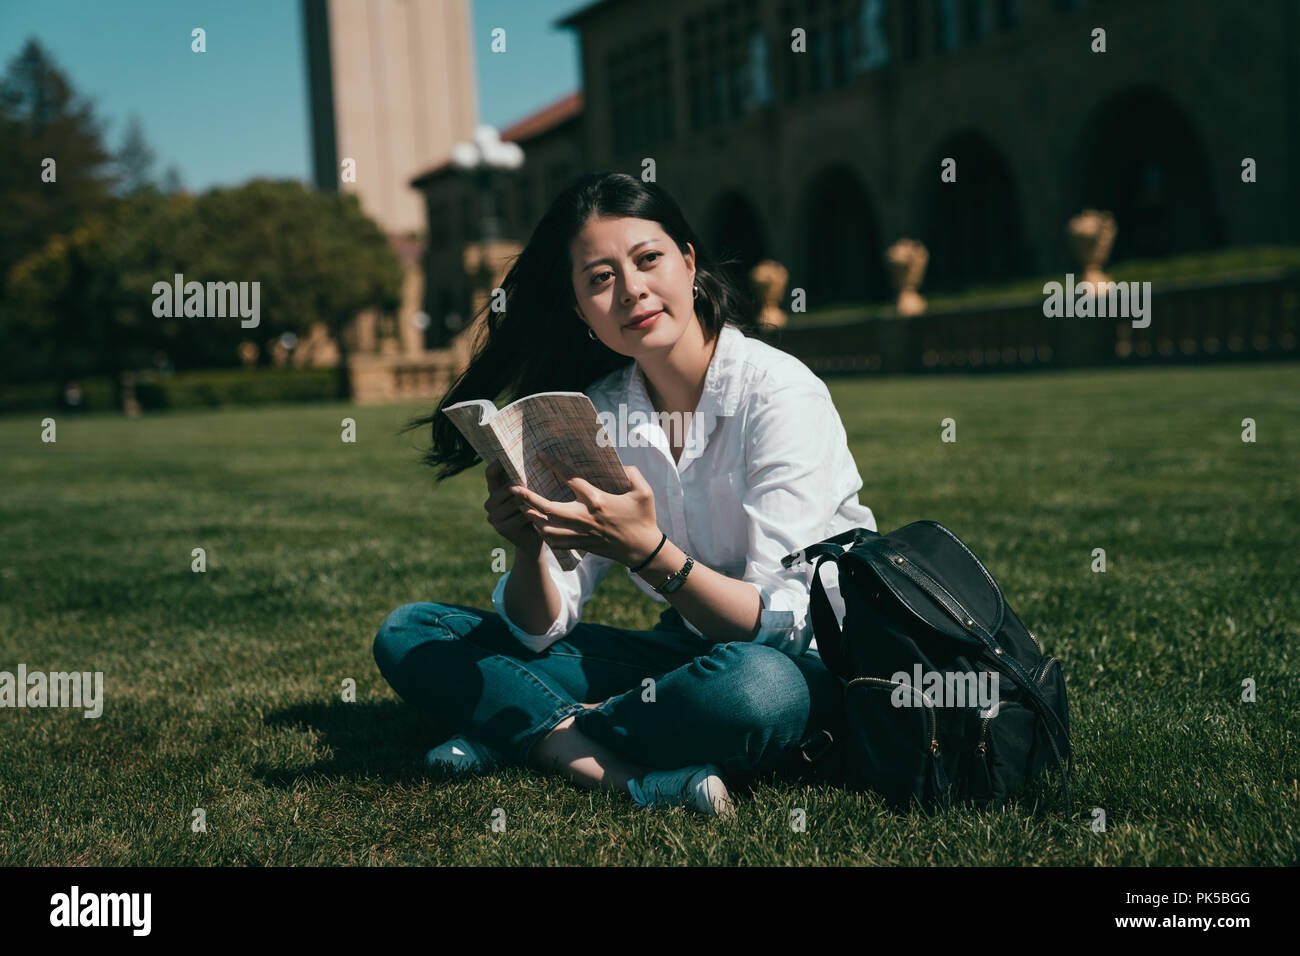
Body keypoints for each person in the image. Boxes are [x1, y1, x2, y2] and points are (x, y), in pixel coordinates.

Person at [375, 172, 876, 817]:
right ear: (580, 310)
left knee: (755, 694)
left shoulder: (777, 393)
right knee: (414, 632)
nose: (632, 288)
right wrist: (529, 550)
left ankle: (532, 729)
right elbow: (537, 632)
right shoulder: (595, 414)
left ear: (689, 263)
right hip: (681, 661)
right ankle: (619, 768)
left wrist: (649, 553)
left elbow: (778, 626)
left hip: (803, 663)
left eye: (648, 259)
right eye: (600, 278)